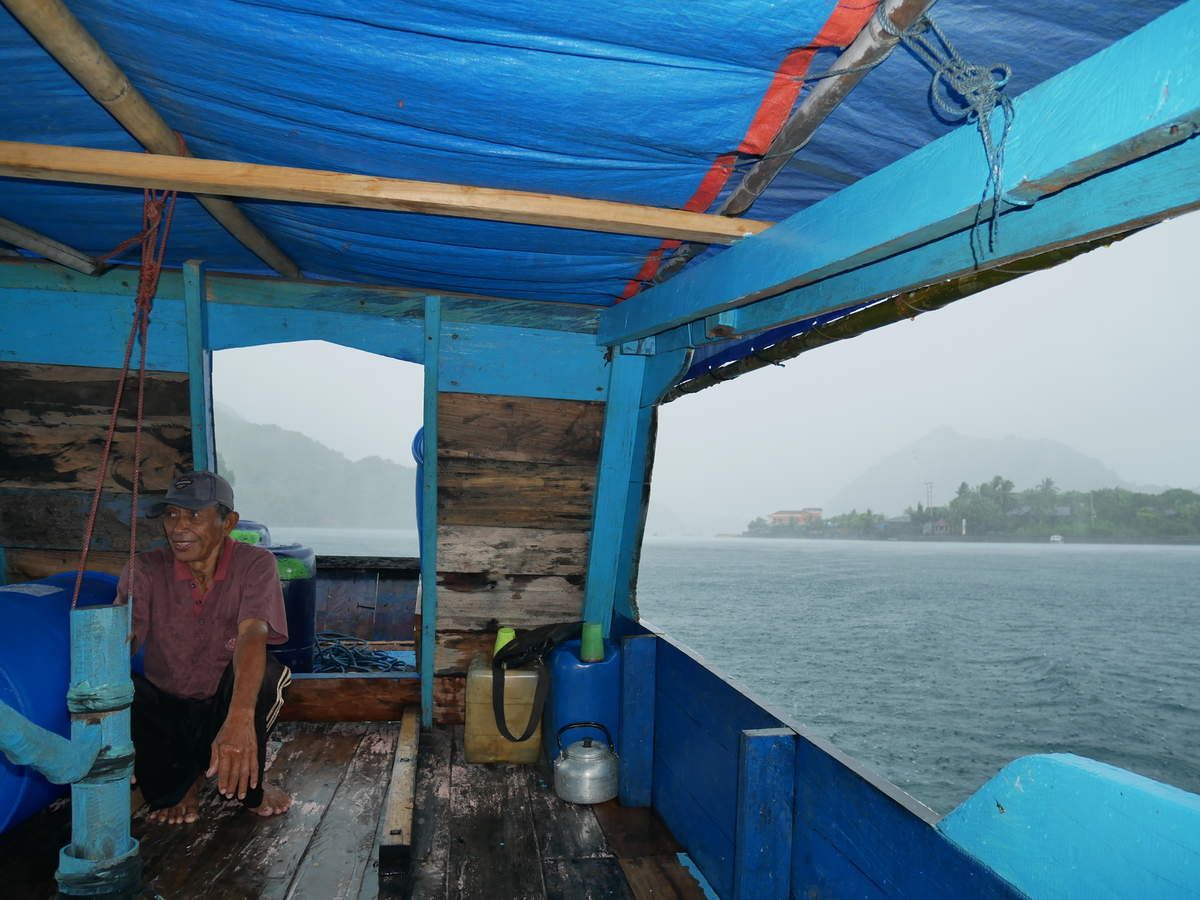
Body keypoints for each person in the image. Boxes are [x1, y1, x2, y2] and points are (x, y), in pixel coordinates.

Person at [119, 470, 293, 825]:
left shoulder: (256, 564)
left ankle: (245, 779)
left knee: (268, 674)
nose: (178, 527)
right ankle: (188, 778)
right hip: (167, 708)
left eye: (194, 515)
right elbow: (123, 640)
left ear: (228, 522)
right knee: (127, 692)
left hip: (223, 707)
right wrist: (107, 733)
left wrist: (240, 720)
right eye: (171, 515)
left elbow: (252, 634)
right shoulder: (145, 568)